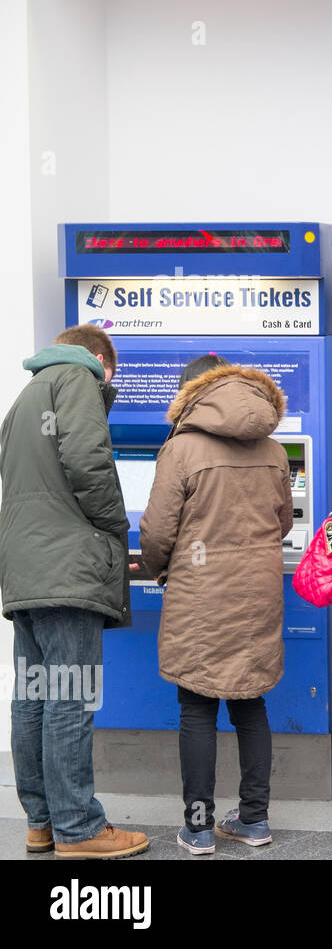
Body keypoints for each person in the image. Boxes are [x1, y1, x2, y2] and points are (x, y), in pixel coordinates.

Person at [0, 324, 150, 858]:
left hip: (27, 571)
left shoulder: (26, 395)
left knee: (34, 695)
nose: (109, 383)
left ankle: (41, 822)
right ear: (96, 358)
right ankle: (79, 827)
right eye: (111, 374)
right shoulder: (78, 376)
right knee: (71, 693)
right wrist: (115, 528)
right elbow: (88, 460)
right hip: (68, 569)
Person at [139, 354, 293, 854]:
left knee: (197, 705)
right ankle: (254, 819)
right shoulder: (272, 448)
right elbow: (284, 521)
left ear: (191, 395)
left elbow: (158, 531)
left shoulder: (181, 447)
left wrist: (160, 565)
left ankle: (200, 827)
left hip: (200, 593)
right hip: (258, 592)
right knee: (251, 702)